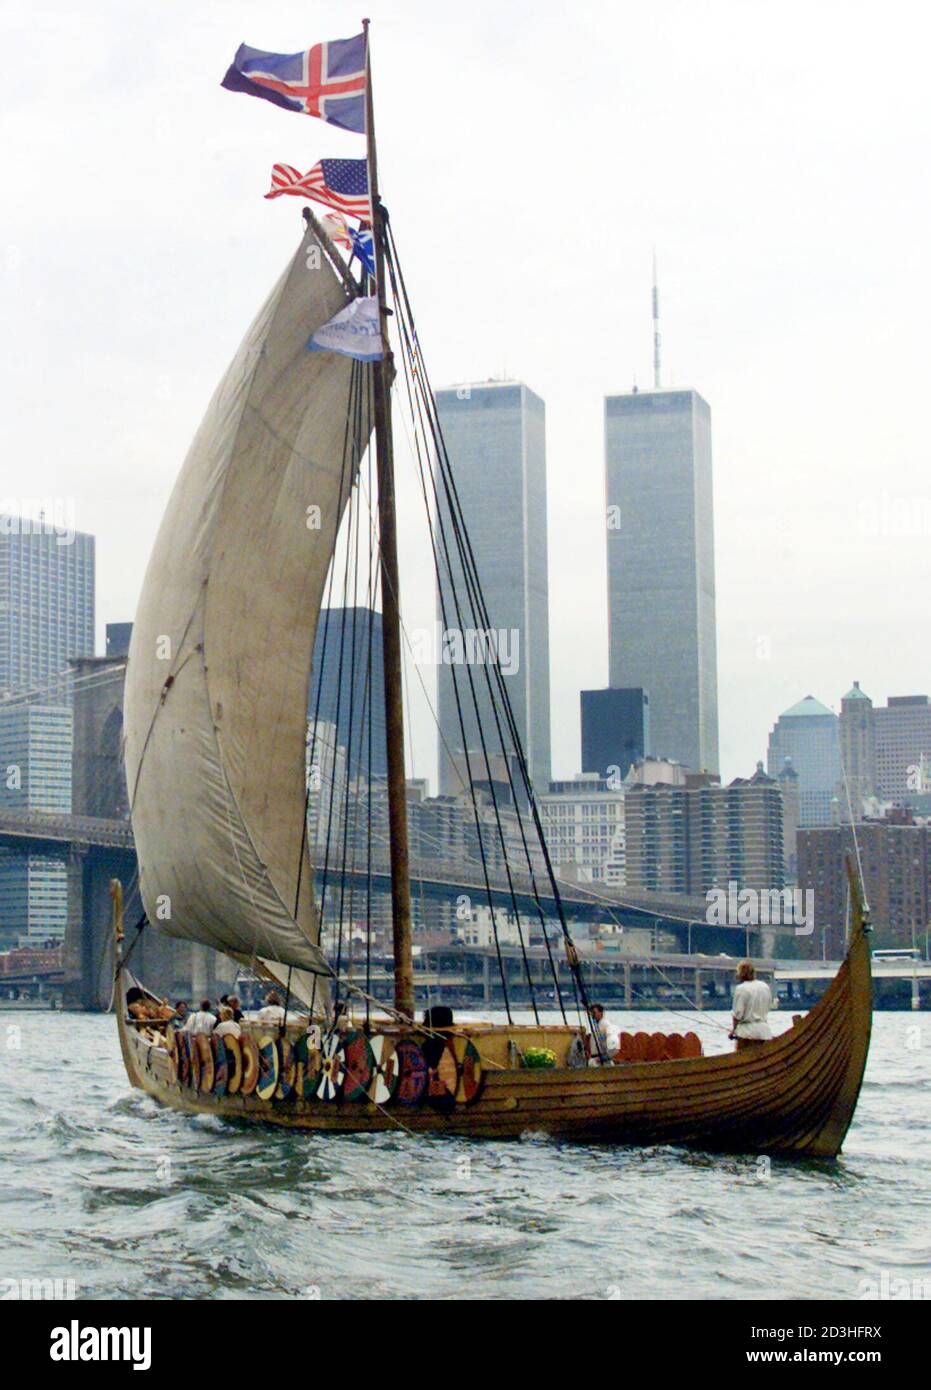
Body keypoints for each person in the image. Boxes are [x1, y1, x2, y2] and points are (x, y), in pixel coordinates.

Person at [729, 962, 773, 1051]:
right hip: (764, 1032)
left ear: (741, 974)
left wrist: (733, 1031)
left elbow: (737, 1015)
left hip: (746, 1034)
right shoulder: (764, 986)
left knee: (740, 1059)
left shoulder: (741, 989)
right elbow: (768, 1006)